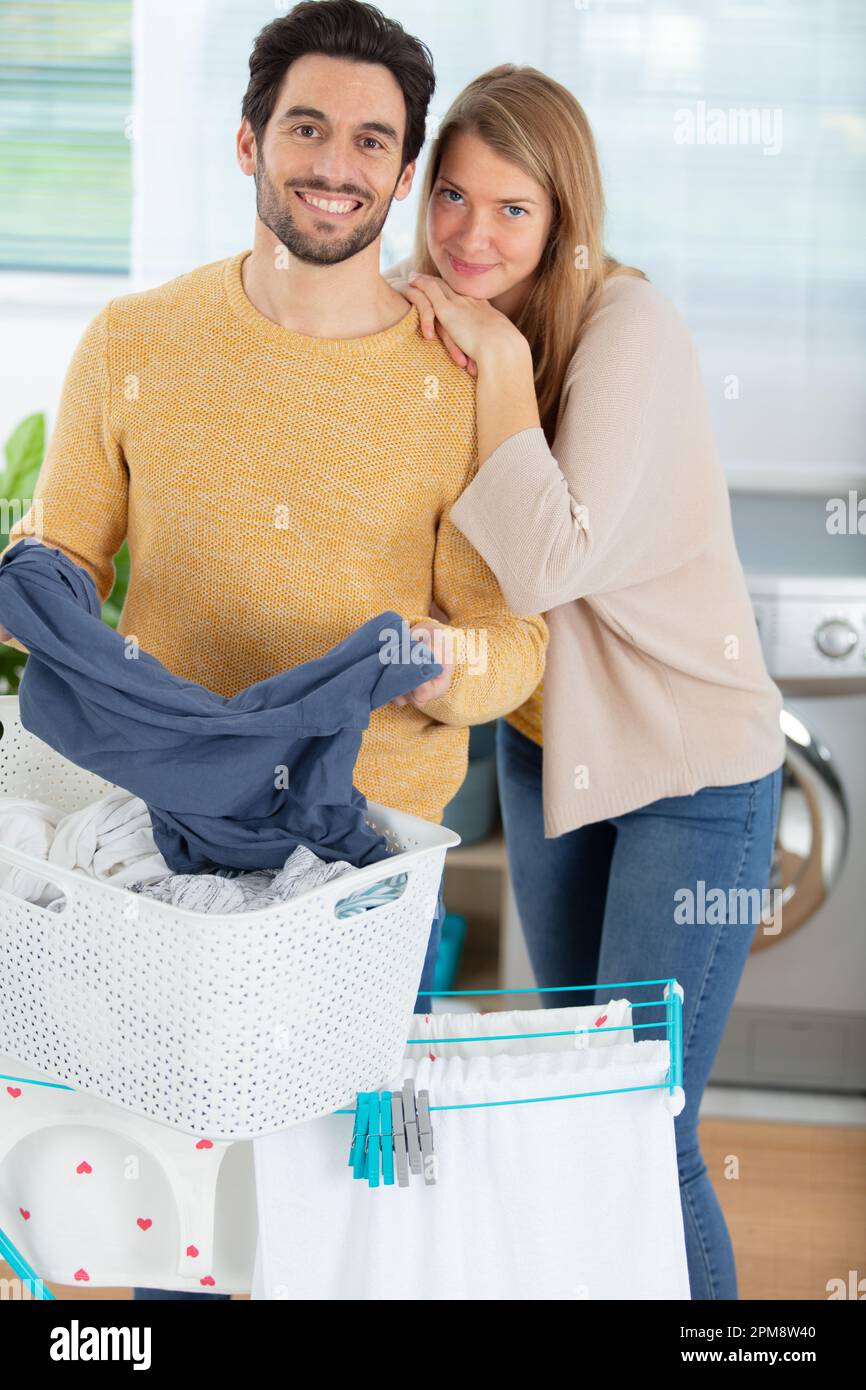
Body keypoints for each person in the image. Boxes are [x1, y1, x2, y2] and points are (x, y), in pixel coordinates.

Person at [0, 2, 548, 1300]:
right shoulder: (135, 342)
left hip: (356, 866)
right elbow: (57, 558)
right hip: (162, 859)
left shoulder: (455, 380)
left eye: (371, 140)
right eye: (305, 126)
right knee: (165, 1219)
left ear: (402, 175)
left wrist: (422, 663)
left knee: (329, 1232)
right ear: (247, 141)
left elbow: (518, 645)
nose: (334, 162)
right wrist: (53, 601)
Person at [384, 62, 785, 1301]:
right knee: (572, 1101)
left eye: (512, 209)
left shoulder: (625, 327)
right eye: (450, 196)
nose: (470, 234)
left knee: (636, 1121)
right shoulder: (441, 310)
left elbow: (551, 554)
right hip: (551, 753)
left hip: (685, 773)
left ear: (565, 218)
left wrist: (496, 360)